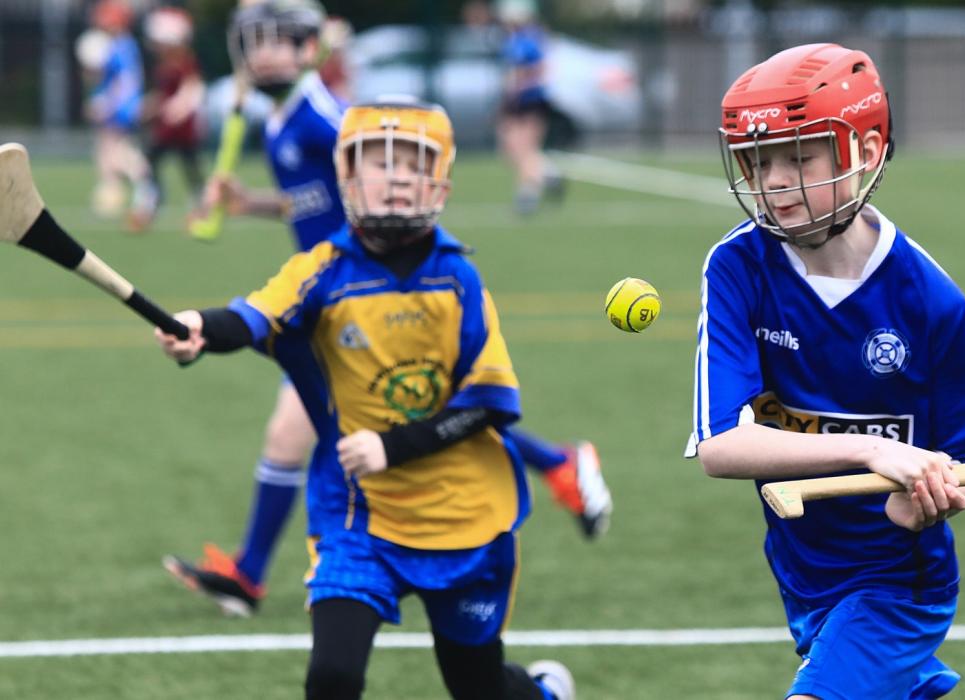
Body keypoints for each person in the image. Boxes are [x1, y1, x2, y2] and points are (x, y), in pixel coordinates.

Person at [165, 0, 610, 619]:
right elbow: (314, 201)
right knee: (305, 431)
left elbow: (379, 190)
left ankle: (559, 463)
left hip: (360, 296)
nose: (264, 54)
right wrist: (250, 203)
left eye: (279, 41)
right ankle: (249, 573)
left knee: (393, 416)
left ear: (308, 50)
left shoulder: (324, 120)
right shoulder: (278, 122)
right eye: (255, 42)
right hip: (320, 298)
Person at [155, 95, 575, 700]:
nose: (397, 177)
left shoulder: (459, 279)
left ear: (440, 181)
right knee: (333, 677)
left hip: (464, 518)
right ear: (348, 175)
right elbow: (253, 316)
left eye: (413, 164)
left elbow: (489, 402)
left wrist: (392, 446)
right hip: (359, 519)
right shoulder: (321, 270)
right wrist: (200, 327)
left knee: (477, 688)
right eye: (380, 162)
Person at [688, 43, 965, 699]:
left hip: (896, 585)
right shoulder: (737, 268)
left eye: (799, 157)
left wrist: (926, 502)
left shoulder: (935, 307)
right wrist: (870, 450)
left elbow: (959, 473)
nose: (773, 181)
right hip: (803, 572)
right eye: (757, 161)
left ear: (865, 151)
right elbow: (721, 447)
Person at [82, 0, 156, 229]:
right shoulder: (122, 44)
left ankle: (143, 188)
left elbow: (123, 83)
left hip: (122, 108)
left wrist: (107, 105)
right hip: (121, 106)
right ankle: (114, 191)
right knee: (109, 150)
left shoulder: (121, 46)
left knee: (119, 151)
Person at [134, 6, 205, 231]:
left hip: (183, 128)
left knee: (191, 168)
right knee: (150, 161)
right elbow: (163, 94)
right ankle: (151, 200)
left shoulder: (185, 63)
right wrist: (150, 105)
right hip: (164, 128)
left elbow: (193, 89)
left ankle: (200, 206)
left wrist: (179, 108)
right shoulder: (163, 65)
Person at [494, 0, 564, 215]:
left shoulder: (528, 38)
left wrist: (517, 89)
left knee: (525, 149)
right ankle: (550, 173)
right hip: (517, 100)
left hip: (529, 100)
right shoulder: (513, 39)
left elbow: (535, 70)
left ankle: (527, 194)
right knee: (510, 149)